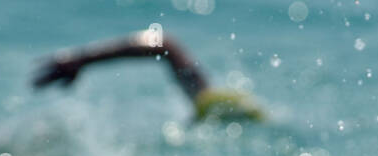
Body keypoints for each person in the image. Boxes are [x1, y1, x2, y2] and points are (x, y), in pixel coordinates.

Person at [32, 30, 266, 123]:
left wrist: (82, 58)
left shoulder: (206, 103)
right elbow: (164, 44)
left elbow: (163, 44)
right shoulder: (207, 103)